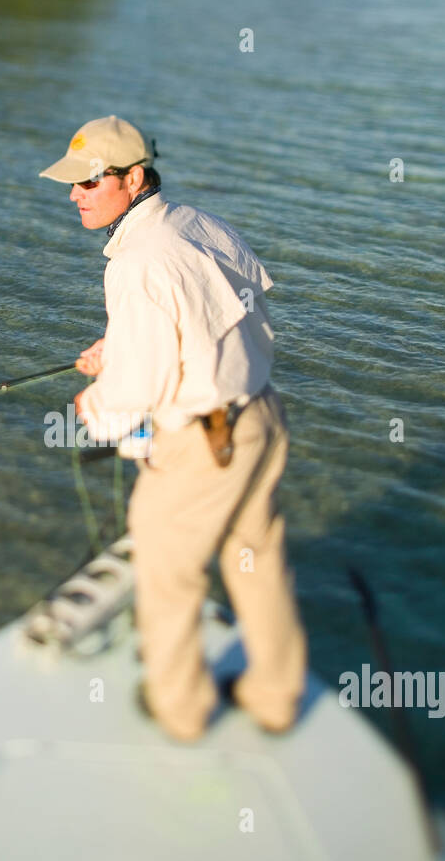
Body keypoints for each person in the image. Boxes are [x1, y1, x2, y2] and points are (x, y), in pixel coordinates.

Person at [38, 115, 307, 743]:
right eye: (69, 183)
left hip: (202, 445)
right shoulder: (197, 223)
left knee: (166, 571)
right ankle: (276, 697)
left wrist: (95, 408)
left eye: (87, 182)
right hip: (260, 416)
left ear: (132, 179)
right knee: (256, 558)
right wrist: (121, 343)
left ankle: (180, 712)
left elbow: (139, 388)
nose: (74, 194)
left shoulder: (133, 264)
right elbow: (232, 312)